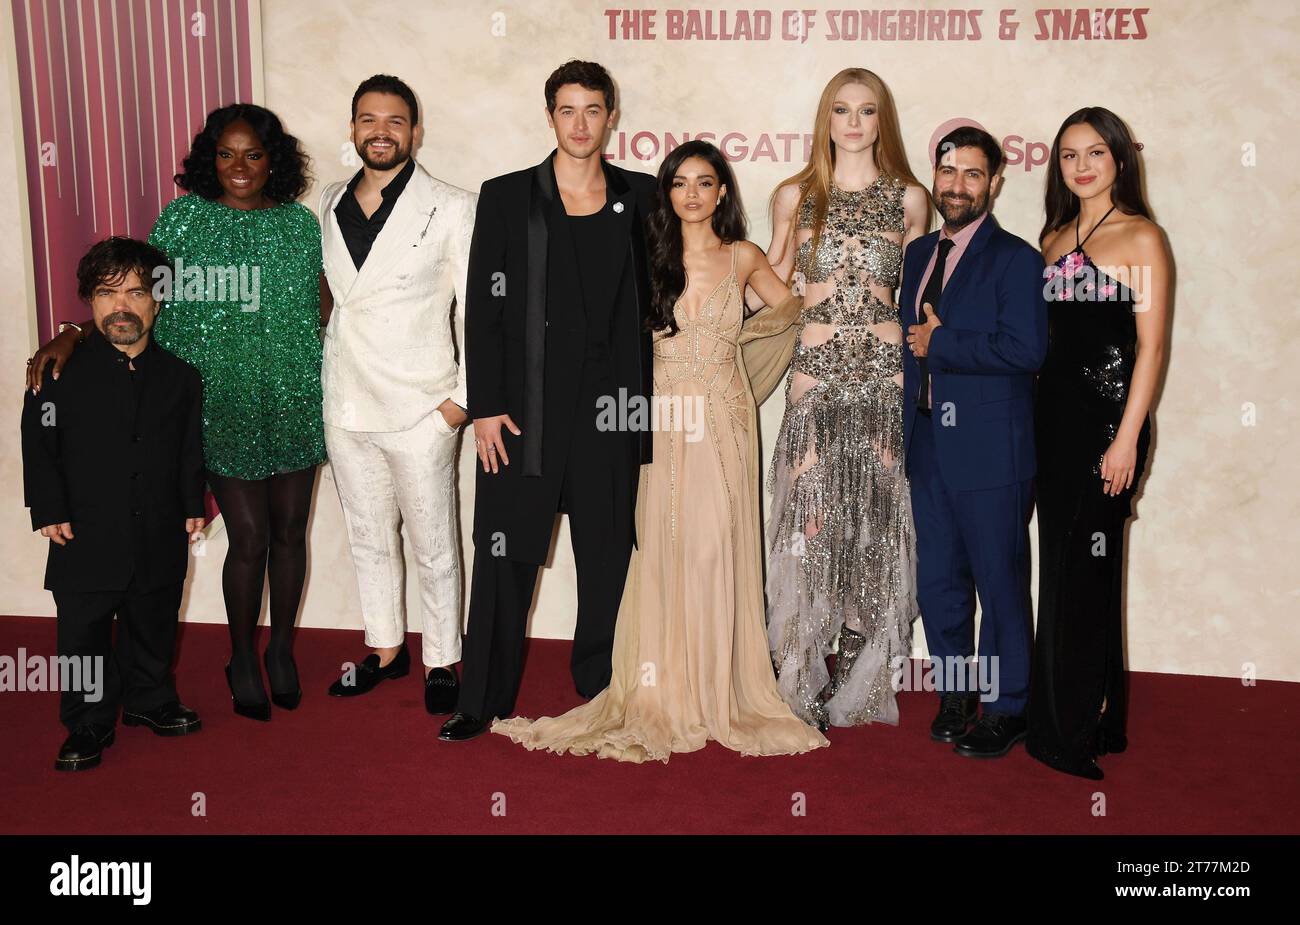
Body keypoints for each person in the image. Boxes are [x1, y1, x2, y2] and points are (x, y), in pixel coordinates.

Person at [493, 141, 829, 762]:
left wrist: (736, 369)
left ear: (723, 192)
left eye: (705, 183)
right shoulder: (645, 255)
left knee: (716, 544)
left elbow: (787, 312)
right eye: (679, 183)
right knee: (662, 543)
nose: (693, 194)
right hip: (658, 416)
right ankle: (663, 685)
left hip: (725, 420)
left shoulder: (744, 257)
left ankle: (720, 687)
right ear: (665, 193)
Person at [27, 104, 327, 721]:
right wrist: (72, 332)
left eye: (252, 154)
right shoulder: (185, 222)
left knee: (291, 532)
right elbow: (132, 298)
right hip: (217, 405)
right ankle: (242, 656)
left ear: (275, 160)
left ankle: (282, 651)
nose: (239, 166)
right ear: (207, 160)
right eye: (225, 154)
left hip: (296, 398)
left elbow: (330, 304)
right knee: (248, 537)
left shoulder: (301, 225)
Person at [438, 61, 655, 742]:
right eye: (568, 110)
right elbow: (482, 311)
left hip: (610, 411)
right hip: (521, 413)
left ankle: (601, 688)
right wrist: (486, 406)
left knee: (608, 555)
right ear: (550, 115)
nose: (581, 123)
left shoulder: (643, 196)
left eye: (594, 109)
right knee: (503, 555)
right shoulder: (506, 196)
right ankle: (480, 698)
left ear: (612, 116)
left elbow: (667, 293)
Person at [762, 68, 931, 730]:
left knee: (872, 532)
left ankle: (857, 680)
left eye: (866, 110)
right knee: (809, 527)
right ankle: (799, 676)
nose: (854, 122)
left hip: (884, 383)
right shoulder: (795, 196)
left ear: (882, 119)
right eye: (841, 109)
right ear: (825, 119)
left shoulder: (911, 199)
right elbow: (772, 281)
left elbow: (921, 295)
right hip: (815, 383)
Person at [320, 75, 476, 717]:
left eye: (393, 121)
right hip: (346, 401)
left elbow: (481, 311)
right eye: (367, 119)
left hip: (421, 406)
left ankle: (442, 655)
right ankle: (385, 648)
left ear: (415, 131)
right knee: (366, 534)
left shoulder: (453, 204)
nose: (379, 131)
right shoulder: (329, 200)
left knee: (434, 540)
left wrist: (460, 401)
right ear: (353, 128)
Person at [22, 237, 206, 770]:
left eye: (136, 291)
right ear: (89, 302)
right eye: (106, 293)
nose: (121, 305)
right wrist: (48, 508)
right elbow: (40, 444)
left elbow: (188, 448)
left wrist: (191, 501)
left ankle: (150, 699)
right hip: (83, 530)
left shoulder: (180, 377)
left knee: (154, 618)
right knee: (84, 630)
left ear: (158, 299)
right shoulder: (55, 375)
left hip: (159, 527)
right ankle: (88, 720)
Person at [1027, 107, 1168, 780]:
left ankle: (1075, 730)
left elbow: (1151, 347)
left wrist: (1127, 438)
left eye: (1095, 154)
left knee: (1089, 571)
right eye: (1068, 156)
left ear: (1119, 160)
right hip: (1052, 420)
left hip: (1110, 422)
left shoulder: (1142, 237)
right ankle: (1074, 711)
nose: (1081, 167)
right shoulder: (1053, 237)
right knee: (1059, 566)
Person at [900, 125, 1048, 758]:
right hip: (930, 441)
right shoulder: (916, 255)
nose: (956, 185)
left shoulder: (1017, 258)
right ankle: (958, 694)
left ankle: (1009, 705)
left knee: (1000, 580)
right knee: (940, 580)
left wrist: (945, 344)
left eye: (971, 175)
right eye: (948, 171)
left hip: (992, 449)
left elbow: (1027, 349)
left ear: (994, 183)